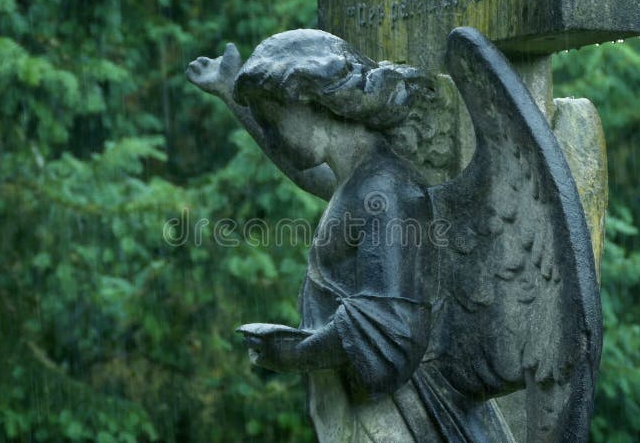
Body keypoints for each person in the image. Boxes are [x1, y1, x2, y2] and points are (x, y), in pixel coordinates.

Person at [187, 29, 516, 442]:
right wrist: (231, 94)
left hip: (411, 415)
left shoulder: (385, 191)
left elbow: (393, 333)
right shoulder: (357, 180)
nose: (270, 137)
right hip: (374, 408)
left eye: (273, 122)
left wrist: (295, 352)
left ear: (311, 104)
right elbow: (303, 171)